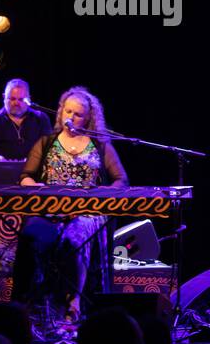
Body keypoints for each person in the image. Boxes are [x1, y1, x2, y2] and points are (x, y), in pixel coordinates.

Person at [12, 86, 128, 323]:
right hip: (50, 210)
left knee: (75, 235)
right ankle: (27, 303)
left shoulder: (100, 145)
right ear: (60, 111)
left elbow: (121, 180)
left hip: (88, 211)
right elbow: (26, 176)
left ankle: (74, 302)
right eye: (67, 111)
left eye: (77, 114)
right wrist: (35, 187)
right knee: (30, 235)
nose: (70, 118)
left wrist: (101, 196)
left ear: (88, 118)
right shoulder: (46, 142)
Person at [0, 78, 54, 160]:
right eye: (12, 99)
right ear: (4, 97)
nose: (16, 103)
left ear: (28, 99)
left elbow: (49, 146)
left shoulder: (40, 118)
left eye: (21, 99)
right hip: (1, 170)